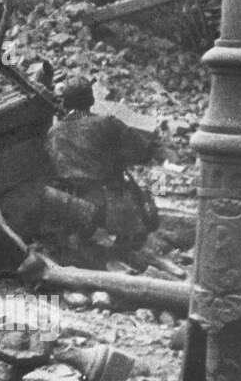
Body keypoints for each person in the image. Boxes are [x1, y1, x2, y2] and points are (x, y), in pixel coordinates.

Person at [42, 77, 159, 252]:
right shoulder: (107, 123)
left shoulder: (53, 132)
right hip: (105, 201)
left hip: (65, 202)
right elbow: (141, 152)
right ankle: (125, 247)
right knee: (141, 215)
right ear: (91, 101)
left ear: (65, 102)